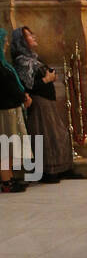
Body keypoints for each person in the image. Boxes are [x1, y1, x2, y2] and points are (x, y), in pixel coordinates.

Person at [10, 26, 74, 182]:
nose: (33, 37)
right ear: (22, 41)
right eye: (29, 36)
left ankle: (61, 168)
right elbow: (29, 85)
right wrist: (46, 79)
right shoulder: (22, 61)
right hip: (39, 103)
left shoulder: (34, 58)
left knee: (56, 135)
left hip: (47, 102)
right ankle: (47, 172)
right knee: (44, 136)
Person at [0, 26, 31, 193]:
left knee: (10, 148)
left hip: (11, 110)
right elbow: (7, 87)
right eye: (3, 41)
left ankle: (10, 177)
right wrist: (22, 97)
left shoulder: (4, 65)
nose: (5, 44)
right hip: (5, 111)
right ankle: (7, 183)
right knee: (5, 149)